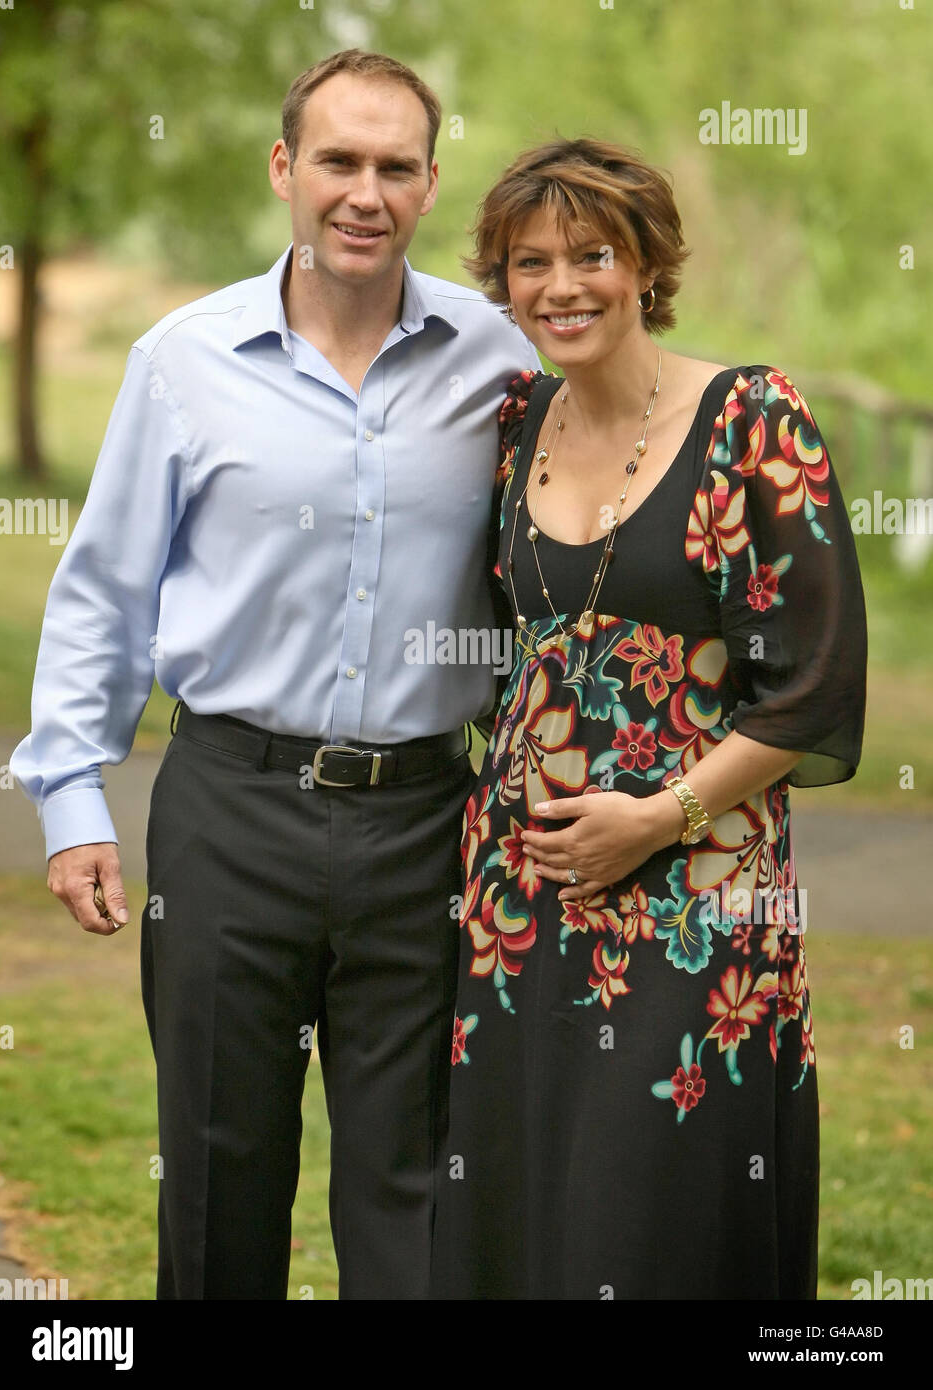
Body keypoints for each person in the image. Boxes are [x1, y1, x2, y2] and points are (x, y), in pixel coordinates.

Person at [9, 49, 538, 1300]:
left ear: (429, 182)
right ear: (284, 170)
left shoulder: (502, 360)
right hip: (228, 811)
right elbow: (104, 592)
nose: (366, 192)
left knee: (413, 1182)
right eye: (339, 162)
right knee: (215, 1164)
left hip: (428, 825)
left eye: (395, 167)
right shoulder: (182, 360)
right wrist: (72, 796)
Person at [430, 138, 868, 1300]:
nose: (560, 285)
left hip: (696, 901)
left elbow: (813, 687)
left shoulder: (751, 419)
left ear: (646, 266)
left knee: (651, 1206)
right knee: (527, 1198)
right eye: (530, 262)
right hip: (521, 904)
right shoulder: (516, 422)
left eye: (591, 255)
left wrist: (658, 817)